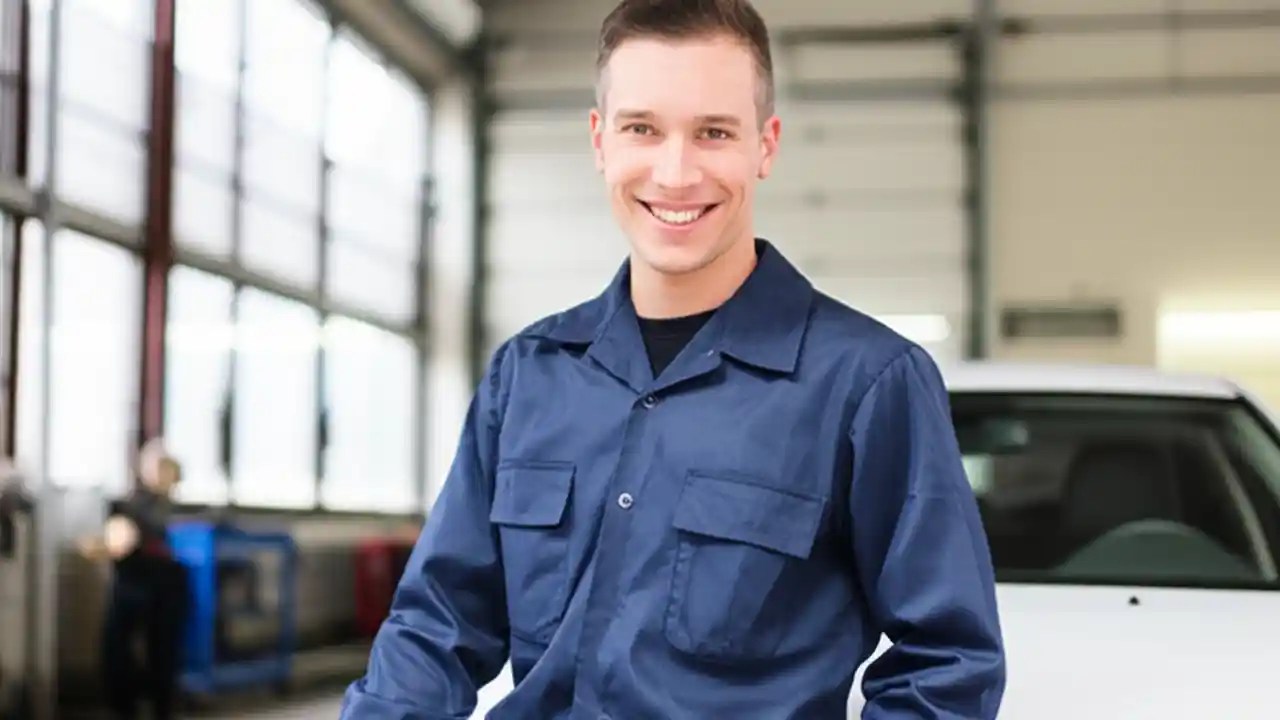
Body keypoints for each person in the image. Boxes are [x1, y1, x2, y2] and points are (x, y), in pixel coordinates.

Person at [342, 0, 1006, 716]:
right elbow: (437, 626)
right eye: (642, 129)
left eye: (714, 132)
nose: (676, 171)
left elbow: (948, 661)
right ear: (601, 141)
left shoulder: (867, 385)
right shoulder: (527, 375)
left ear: (766, 145)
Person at [80, 438, 189, 720]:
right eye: (157, 466)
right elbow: (114, 540)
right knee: (116, 652)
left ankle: (161, 709)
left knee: (163, 656)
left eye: (167, 468)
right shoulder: (126, 504)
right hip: (131, 583)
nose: (162, 474)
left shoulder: (175, 511)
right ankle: (125, 709)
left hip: (165, 587)